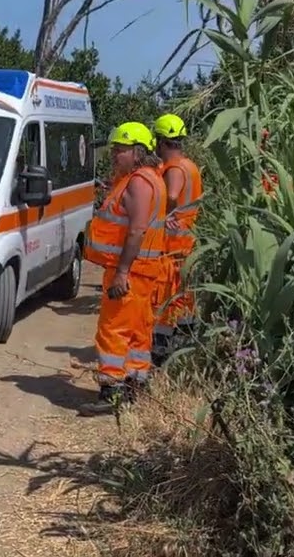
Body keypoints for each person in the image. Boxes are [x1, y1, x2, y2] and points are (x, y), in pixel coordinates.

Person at [79, 122, 168, 416]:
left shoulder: (139, 182)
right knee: (138, 332)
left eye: (121, 150)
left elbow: (136, 230)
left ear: (138, 152)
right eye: (115, 149)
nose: (115, 154)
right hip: (143, 271)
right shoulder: (148, 178)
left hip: (130, 271)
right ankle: (134, 386)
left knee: (113, 329)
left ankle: (112, 391)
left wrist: (121, 273)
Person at [151, 113, 204, 362]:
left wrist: (157, 210)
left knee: (166, 299)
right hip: (188, 243)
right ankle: (185, 346)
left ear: (161, 141)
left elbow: (171, 195)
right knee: (184, 298)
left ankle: (161, 350)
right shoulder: (191, 166)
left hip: (172, 246)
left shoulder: (174, 168)